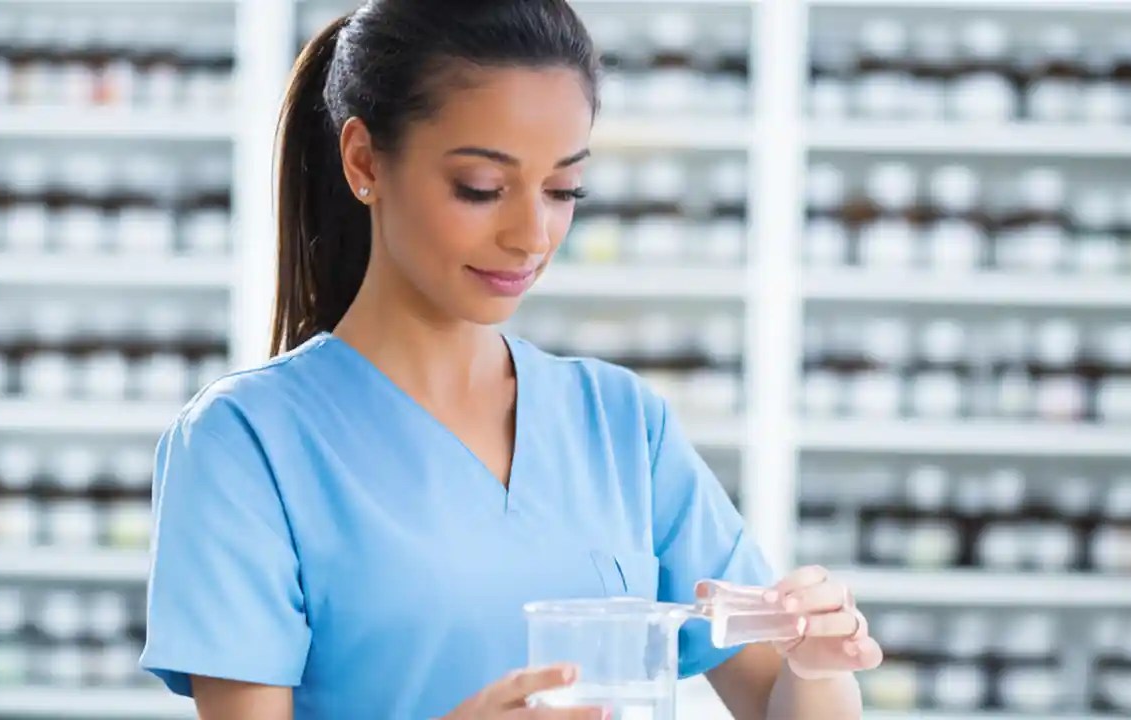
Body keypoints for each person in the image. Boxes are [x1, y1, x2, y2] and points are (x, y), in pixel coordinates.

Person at [140, 1, 883, 718]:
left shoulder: (621, 425)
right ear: (364, 159)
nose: (532, 235)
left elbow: (775, 703)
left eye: (563, 189)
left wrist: (814, 665)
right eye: (482, 188)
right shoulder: (244, 441)